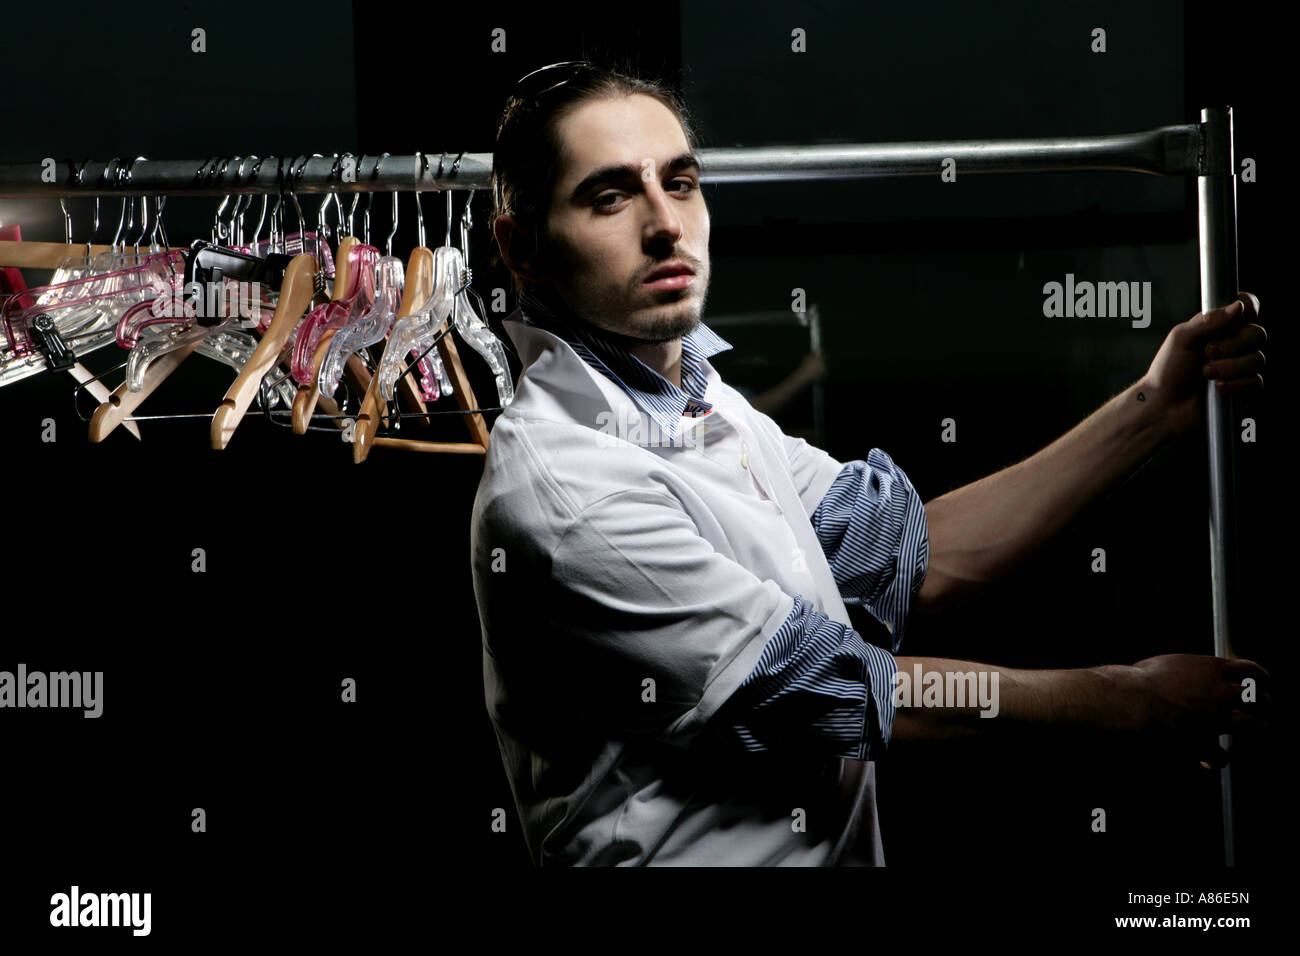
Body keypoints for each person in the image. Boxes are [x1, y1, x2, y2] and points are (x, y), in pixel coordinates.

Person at [469, 60, 1271, 866]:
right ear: (521, 247)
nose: (665, 224)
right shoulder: (571, 484)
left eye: (679, 183)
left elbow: (913, 556)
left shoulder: (703, 404)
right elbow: (838, 690)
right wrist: (1131, 702)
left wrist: (1151, 408)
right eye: (610, 197)